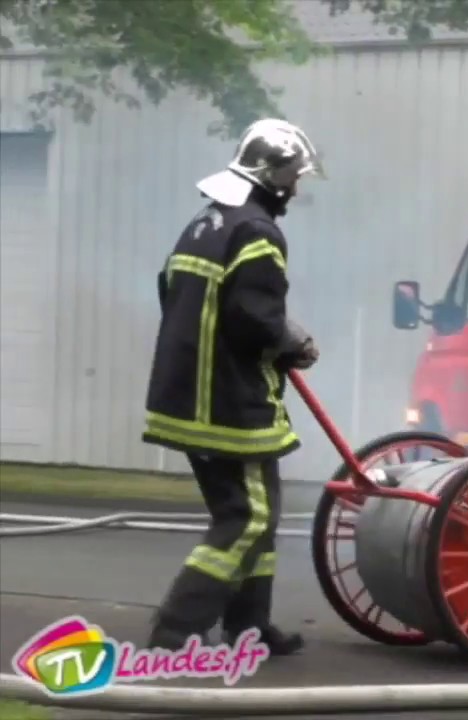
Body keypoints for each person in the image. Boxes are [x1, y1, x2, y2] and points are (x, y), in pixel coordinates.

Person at [142, 118, 324, 655]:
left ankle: (248, 627)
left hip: (189, 395)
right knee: (245, 517)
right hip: (225, 405)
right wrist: (294, 345)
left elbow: (169, 289)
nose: (296, 188)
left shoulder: (206, 223)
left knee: (260, 512)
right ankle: (175, 629)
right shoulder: (258, 233)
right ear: (271, 176)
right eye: (294, 177)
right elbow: (254, 319)